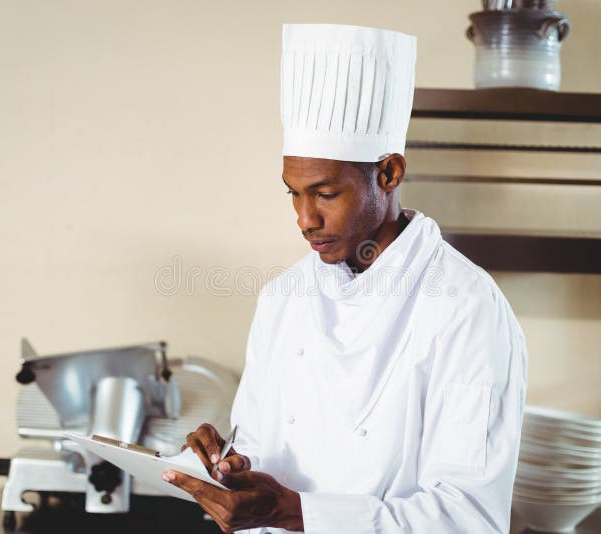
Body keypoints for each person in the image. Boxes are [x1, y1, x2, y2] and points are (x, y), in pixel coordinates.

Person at [162, 23, 527, 533]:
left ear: (389, 174)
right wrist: (225, 464)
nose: (304, 219)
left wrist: (299, 513)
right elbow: (262, 454)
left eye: (325, 194)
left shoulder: (466, 306)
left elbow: (470, 517)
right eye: (293, 193)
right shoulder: (283, 297)